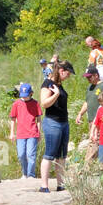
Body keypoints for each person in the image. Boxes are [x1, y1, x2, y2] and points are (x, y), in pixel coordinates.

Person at [38, 60, 74, 192]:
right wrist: (57, 94)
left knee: (62, 155)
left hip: (64, 122)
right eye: (68, 73)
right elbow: (44, 103)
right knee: (50, 154)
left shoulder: (59, 84)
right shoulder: (48, 84)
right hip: (53, 122)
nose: (69, 76)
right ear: (61, 71)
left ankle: (60, 184)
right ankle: (44, 185)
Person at [8, 83, 42, 179]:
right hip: (20, 133)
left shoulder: (35, 103)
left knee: (31, 154)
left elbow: (39, 119)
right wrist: (12, 133)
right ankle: (25, 173)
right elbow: (13, 119)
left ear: (31, 93)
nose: (24, 98)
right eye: (23, 96)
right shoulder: (16, 104)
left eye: (26, 96)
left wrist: (39, 133)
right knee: (21, 155)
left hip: (32, 132)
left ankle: (31, 175)